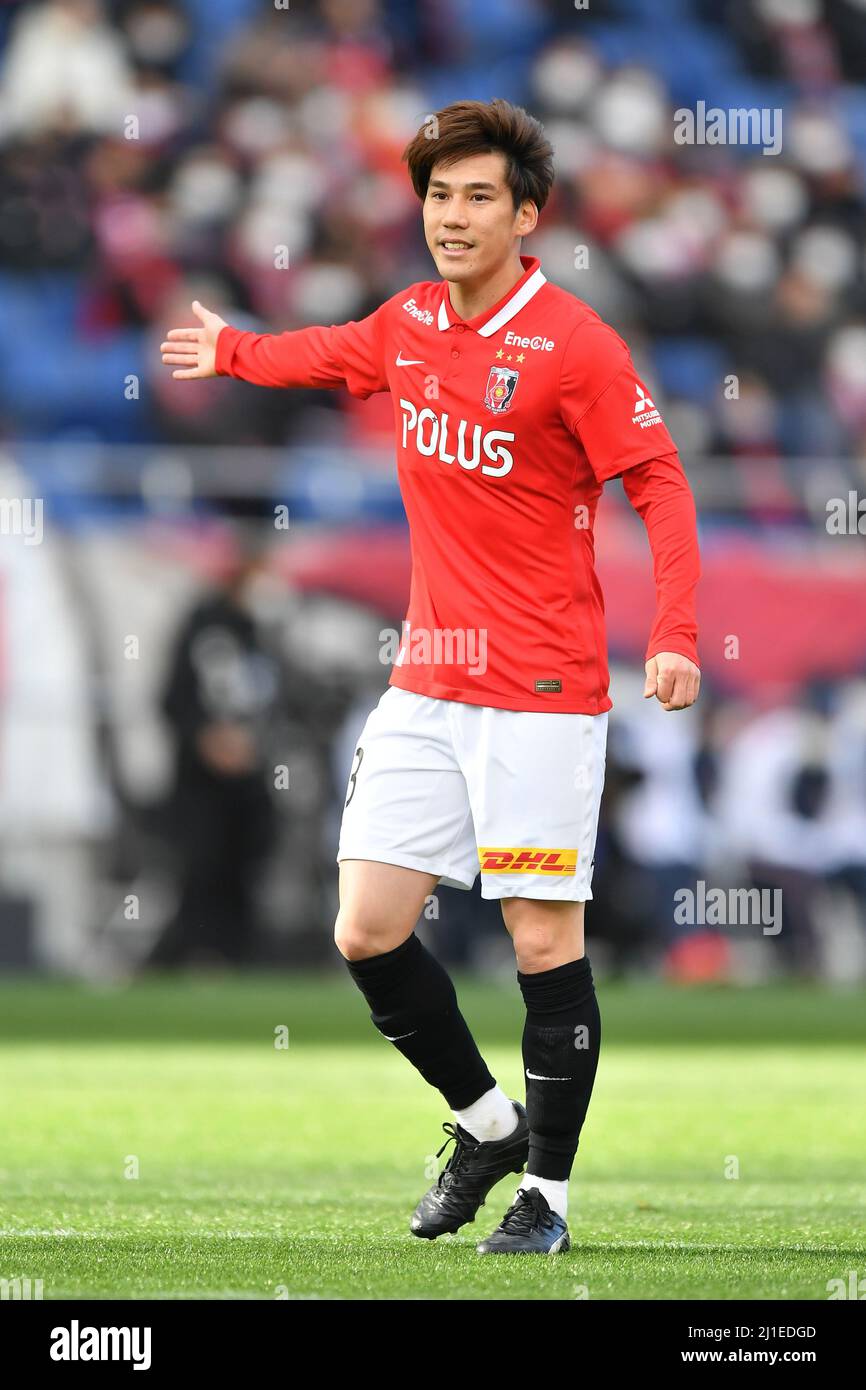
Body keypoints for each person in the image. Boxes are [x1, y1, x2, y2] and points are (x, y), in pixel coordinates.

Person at [160, 98, 701, 1255]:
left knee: (540, 941)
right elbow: (328, 354)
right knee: (364, 926)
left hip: (543, 691)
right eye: (437, 196)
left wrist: (677, 633)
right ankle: (486, 1121)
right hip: (427, 681)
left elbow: (658, 484)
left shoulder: (576, 346)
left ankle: (545, 1198)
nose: (450, 217)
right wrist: (232, 348)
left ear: (525, 216)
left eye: (475, 198)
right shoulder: (407, 322)